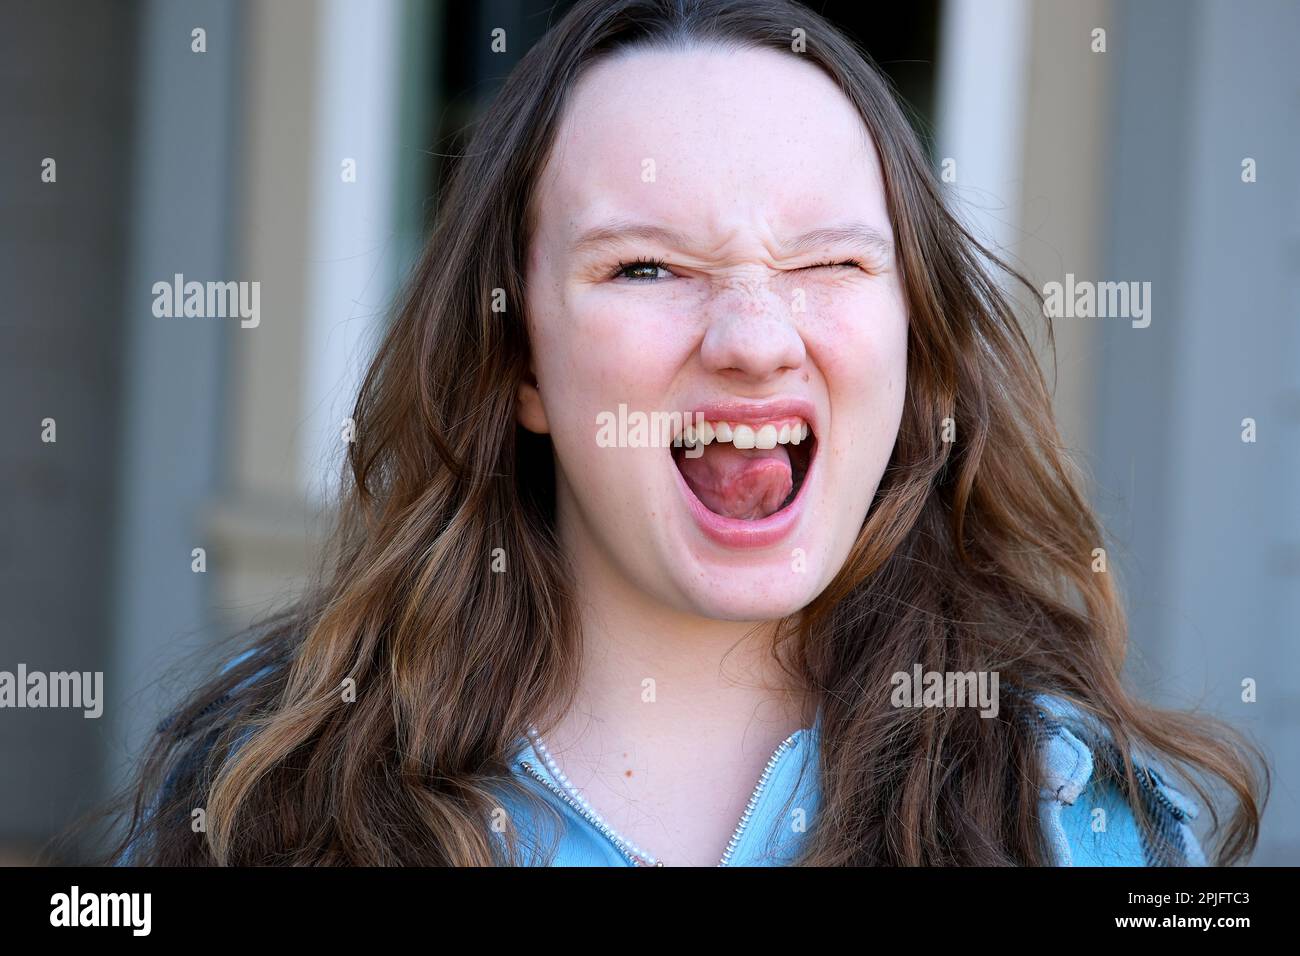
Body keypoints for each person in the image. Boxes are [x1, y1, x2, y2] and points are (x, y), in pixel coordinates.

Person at [110, 0, 1265, 866]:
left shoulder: (1064, 812)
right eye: (647, 264)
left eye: (830, 261)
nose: (755, 338)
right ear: (519, 359)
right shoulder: (276, 783)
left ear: (911, 340)